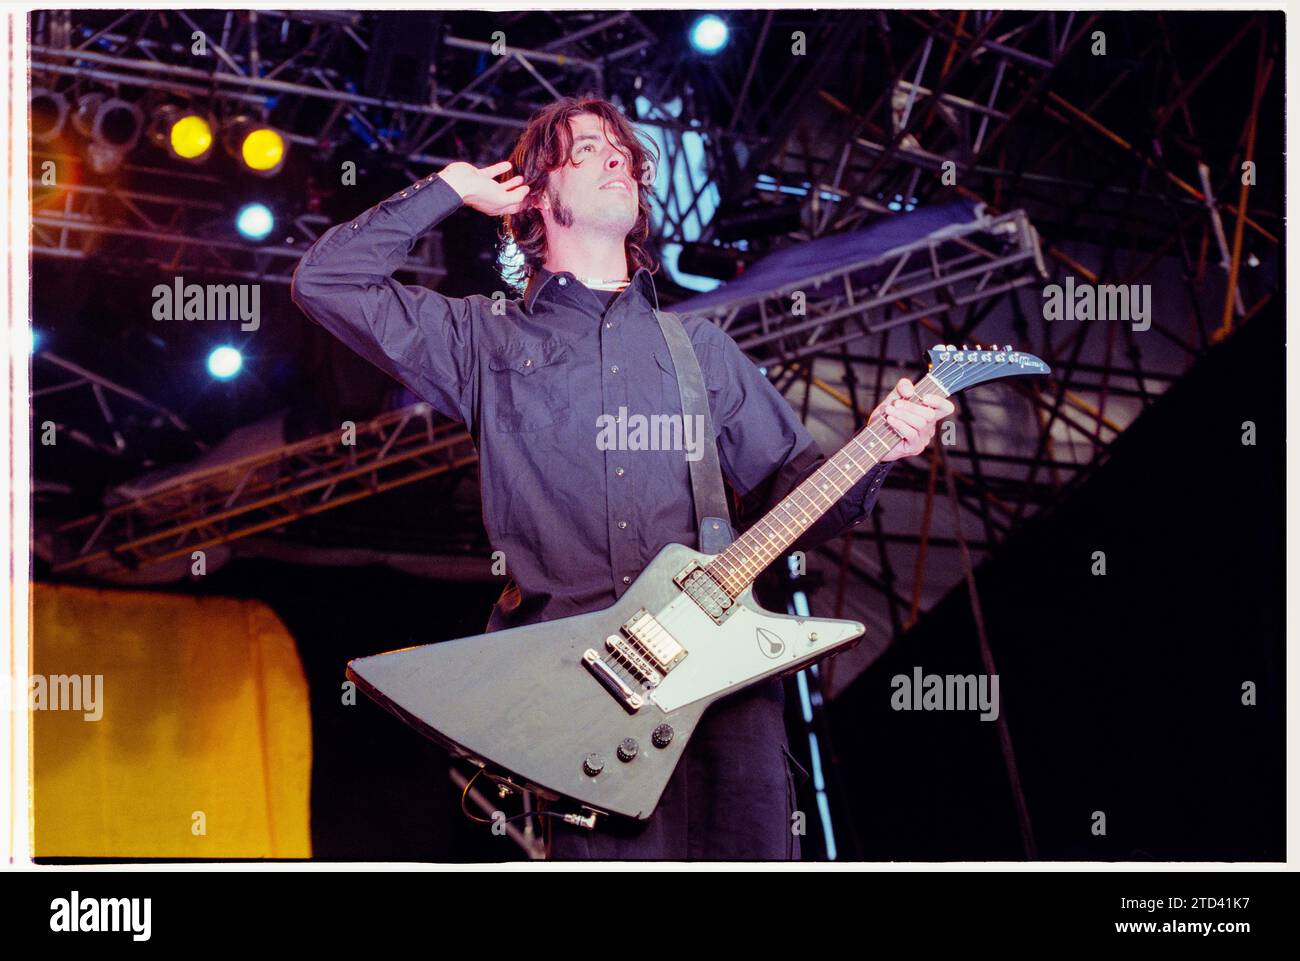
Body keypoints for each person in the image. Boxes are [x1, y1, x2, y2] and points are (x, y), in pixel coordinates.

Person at [291, 96, 955, 860]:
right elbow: (326, 282)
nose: (619, 159)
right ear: (534, 194)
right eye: (586, 150)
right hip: (579, 700)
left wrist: (880, 447)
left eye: (623, 150)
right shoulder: (482, 341)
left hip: (725, 695)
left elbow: (795, 488)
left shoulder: (697, 349)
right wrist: (449, 188)